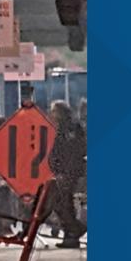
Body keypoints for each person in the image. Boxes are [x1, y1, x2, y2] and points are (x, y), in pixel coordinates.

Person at [48, 100, 88, 248]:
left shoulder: (70, 128)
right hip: (64, 170)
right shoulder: (64, 127)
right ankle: (71, 233)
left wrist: (63, 169)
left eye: (53, 111)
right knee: (63, 203)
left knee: (61, 203)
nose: (51, 114)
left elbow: (73, 150)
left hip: (68, 171)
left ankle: (74, 229)